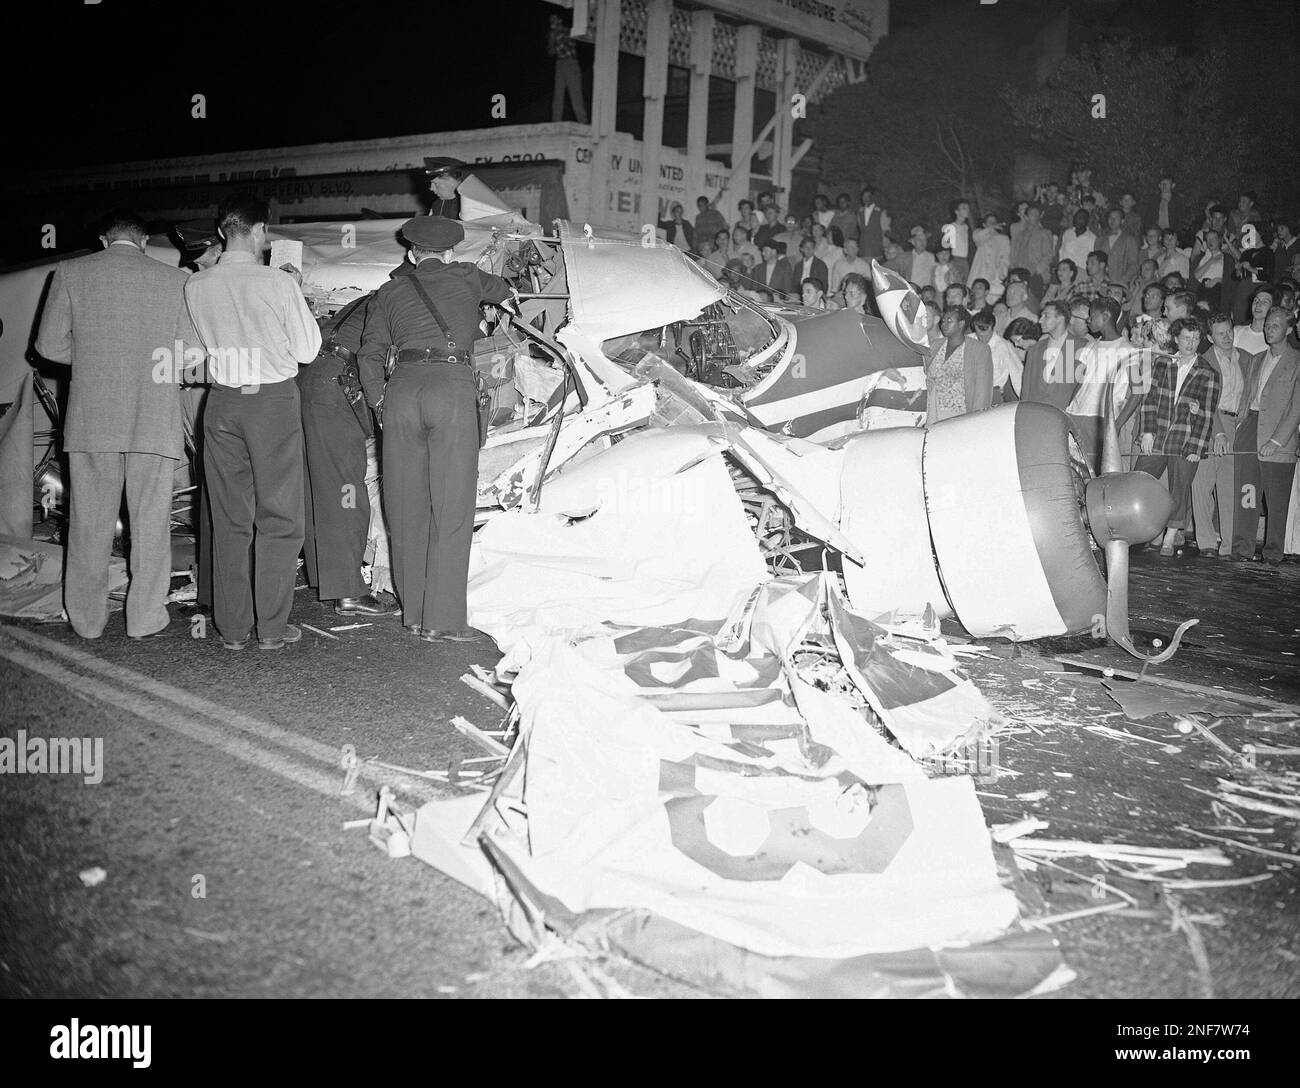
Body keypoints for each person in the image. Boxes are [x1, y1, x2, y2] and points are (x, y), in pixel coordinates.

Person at [33, 209, 199, 640]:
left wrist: (93, 356)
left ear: (105, 241)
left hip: (92, 420)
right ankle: (145, 619)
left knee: (88, 524)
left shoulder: (70, 272)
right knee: (151, 524)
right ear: (144, 242)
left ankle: (87, 621)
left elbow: (48, 344)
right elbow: (192, 352)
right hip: (153, 420)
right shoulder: (176, 281)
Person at [358, 216, 515, 640]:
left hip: (402, 394)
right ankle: (442, 621)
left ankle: (413, 614)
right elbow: (505, 291)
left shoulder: (388, 292)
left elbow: (368, 356)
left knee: (406, 507)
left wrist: (381, 405)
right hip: (450, 389)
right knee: (451, 505)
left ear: (411, 254)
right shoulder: (466, 276)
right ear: (449, 253)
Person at [184, 193, 323, 651]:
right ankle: (271, 629)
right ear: (261, 231)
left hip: (222, 404)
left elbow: (198, 350)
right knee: (280, 518)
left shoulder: (196, 285)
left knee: (229, 519)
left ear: (224, 231)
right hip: (271, 404)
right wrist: (294, 290)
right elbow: (306, 352)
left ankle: (233, 629)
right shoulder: (277, 283)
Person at [299, 288, 400, 619]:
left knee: (320, 485)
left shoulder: (368, 300)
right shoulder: (396, 301)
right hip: (336, 385)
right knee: (347, 490)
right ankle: (347, 592)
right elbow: (384, 360)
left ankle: (324, 579)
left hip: (311, 378)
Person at [1134, 317, 1222, 556]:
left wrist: (1197, 446)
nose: (1190, 343)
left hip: (1186, 439)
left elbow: (1206, 414)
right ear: (1175, 338)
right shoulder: (1162, 364)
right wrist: (1148, 432)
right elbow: (1149, 401)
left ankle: (1169, 538)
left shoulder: (1208, 373)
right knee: (1140, 479)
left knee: (1179, 489)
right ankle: (1144, 530)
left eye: (1195, 339)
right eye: (1185, 338)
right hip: (1158, 435)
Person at [1232, 307, 1300, 565]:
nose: (1269, 329)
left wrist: (1276, 441)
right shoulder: (1257, 358)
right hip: (1251, 428)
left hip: (1278, 438)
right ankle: (1242, 549)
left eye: (1276, 325)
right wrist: (1241, 425)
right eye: (1267, 324)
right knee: (1247, 493)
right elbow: (1247, 395)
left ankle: (1272, 554)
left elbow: (1297, 407)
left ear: (1289, 329)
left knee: (1276, 500)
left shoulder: (1296, 361)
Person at [1192, 313, 1250, 559]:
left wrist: (1241, 424)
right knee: (1203, 484)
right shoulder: (1202, 362)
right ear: (1209, 337)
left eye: (1229, 331)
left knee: (1229, 486)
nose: (1227, 337)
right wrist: (1218, 433)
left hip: (1238, 424)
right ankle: (1206, 542)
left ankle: (1228, 545)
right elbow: (1204, 401)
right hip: (1210, 423)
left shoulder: (1246, 358)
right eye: (1220, 333)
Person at [1065, 298, 1137, 472]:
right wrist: (1069, 408)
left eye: (1092, 315)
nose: (1088, 320)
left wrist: (1117, 424)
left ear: (1105, 315)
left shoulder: (1129, 350)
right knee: (1073, 470)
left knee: (1094, 472)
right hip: (1075, 414)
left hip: (1100, 419)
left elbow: (1138, 393)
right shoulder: (1091, 345)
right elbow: (1081, 383)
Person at [926, 306, 992, 425]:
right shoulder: (935, 346)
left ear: (961, 324)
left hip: (959, 417)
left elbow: (982, 393)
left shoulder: (979, 350)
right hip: (932, 414)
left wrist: (976, 421)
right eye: (943, 321)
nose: (944, 324)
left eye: (949, 321)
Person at [1019, 301, 1080, 412]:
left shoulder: (1081, 346)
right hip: (1036, 415)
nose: (1040, 320)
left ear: (1060, 318)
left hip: (1064, 417)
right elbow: (1026, 389)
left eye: (1046, 315)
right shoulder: (1035, 349)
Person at [970, 308, 1022, 403]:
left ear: (992, 328)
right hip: (971, 392)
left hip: (993, 393)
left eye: (986, 336)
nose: (983, 340)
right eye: (980, 336)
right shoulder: (968, 341)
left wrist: (1023, 399)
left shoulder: (1004, 346)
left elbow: (1017, 374)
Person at [548, 13, 588, 123]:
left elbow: (570, 44)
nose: (552, 22)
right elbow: (551, 52)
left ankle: (583, 122)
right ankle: (555, 122)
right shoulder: (553, 34)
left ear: (559, 20)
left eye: (554, 19)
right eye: (551, 20)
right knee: (558, 95)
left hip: (571, 63)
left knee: (576, 96)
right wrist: (552, 38)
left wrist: (556, 34)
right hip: (559, 64)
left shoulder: (567, 31)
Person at [1010, 204, 1054, 299]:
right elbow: (1015, 254)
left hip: (1035, 276)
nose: (1034, 217)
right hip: (1019, 275)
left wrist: (1036, 271)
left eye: (1036, 214)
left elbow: (1048, 255)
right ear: (1026, 217)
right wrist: (1013, 270)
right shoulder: (1020, 234)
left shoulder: (1044, 233)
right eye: (1031, 214)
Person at [969, 212, 1010, 302]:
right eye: (989, 222)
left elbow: (1005, 257)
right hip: (979, 271)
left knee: (992, 298)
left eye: (994, 222)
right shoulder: (979, 233)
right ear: (984, 224)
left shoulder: (1003, 238)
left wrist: (1002, 273)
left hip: (994, 273)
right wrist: (990, 228)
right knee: (975, 296)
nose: (992, 224)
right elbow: (977, 238)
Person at [1098, 208, 1140, 286]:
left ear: (1122, 221)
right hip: (1101, 284)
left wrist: (1122, 281)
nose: (1112, 220)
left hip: (1120, 284)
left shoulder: (1129, 239)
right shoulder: (1099, 240)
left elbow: (1133, 265)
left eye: (1116, 218)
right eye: (1110, 217)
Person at [1235, 285, 1275, 357]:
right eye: (1256, 300)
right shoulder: (1236, 332)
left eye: (1264, 302)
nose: (1258, 304)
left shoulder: (1273, 339)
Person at [940, 200, 972, 281]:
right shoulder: (951, 227)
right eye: (964, 208)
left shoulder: (965, 227)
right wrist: (949, 263)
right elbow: (944, 246)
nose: (967, 210)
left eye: (968, 208)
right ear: (956, 212)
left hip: (965, 261)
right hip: (954, 260)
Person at [857, 186, 888, 263]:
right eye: (864, 197)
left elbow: (885, 230)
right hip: (864, 247)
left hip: (876, 247)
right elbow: (861, 229)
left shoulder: (880, 211)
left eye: (868, 196)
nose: (866, 199)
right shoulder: (860, 212)